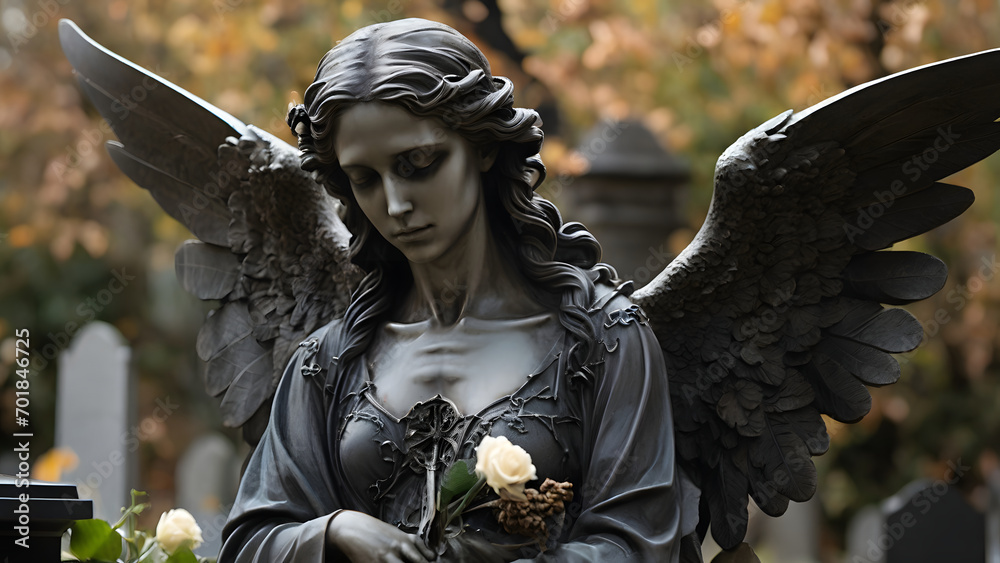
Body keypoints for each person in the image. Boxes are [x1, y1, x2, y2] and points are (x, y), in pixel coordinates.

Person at [220, 18, 685, 562]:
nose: (395, 205)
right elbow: (251, 541)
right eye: (364, 179)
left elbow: (638, 546)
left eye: (418, 164)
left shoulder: (602, 341)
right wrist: (336, 532)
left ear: (483, 148)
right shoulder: (329, 361)